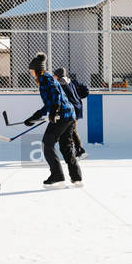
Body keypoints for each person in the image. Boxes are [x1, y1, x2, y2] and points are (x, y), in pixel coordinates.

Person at [24, 54, 82, 187]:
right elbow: (49, 104)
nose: (31, 72)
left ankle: (57, 175)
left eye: (32, 70)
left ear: (37, 70)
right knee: (65, 146)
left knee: (47, 144)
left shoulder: (45, 78)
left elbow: (55, 94)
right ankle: (76, 177)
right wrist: (35, 117)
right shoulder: (46, 78)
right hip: (69, 115)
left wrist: (55, 110)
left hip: (62, 116)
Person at [54, 65, 87, 158]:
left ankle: (77, 149)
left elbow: (60, 100)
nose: (54, 77)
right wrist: (78, 97)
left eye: (55, 75)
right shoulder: (72, 82)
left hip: (71, 110)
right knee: (71, 129)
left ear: (59, 76)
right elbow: (85, 89)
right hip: (77, 107)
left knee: (70, 130)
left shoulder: (60, 84)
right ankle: (78, 149)